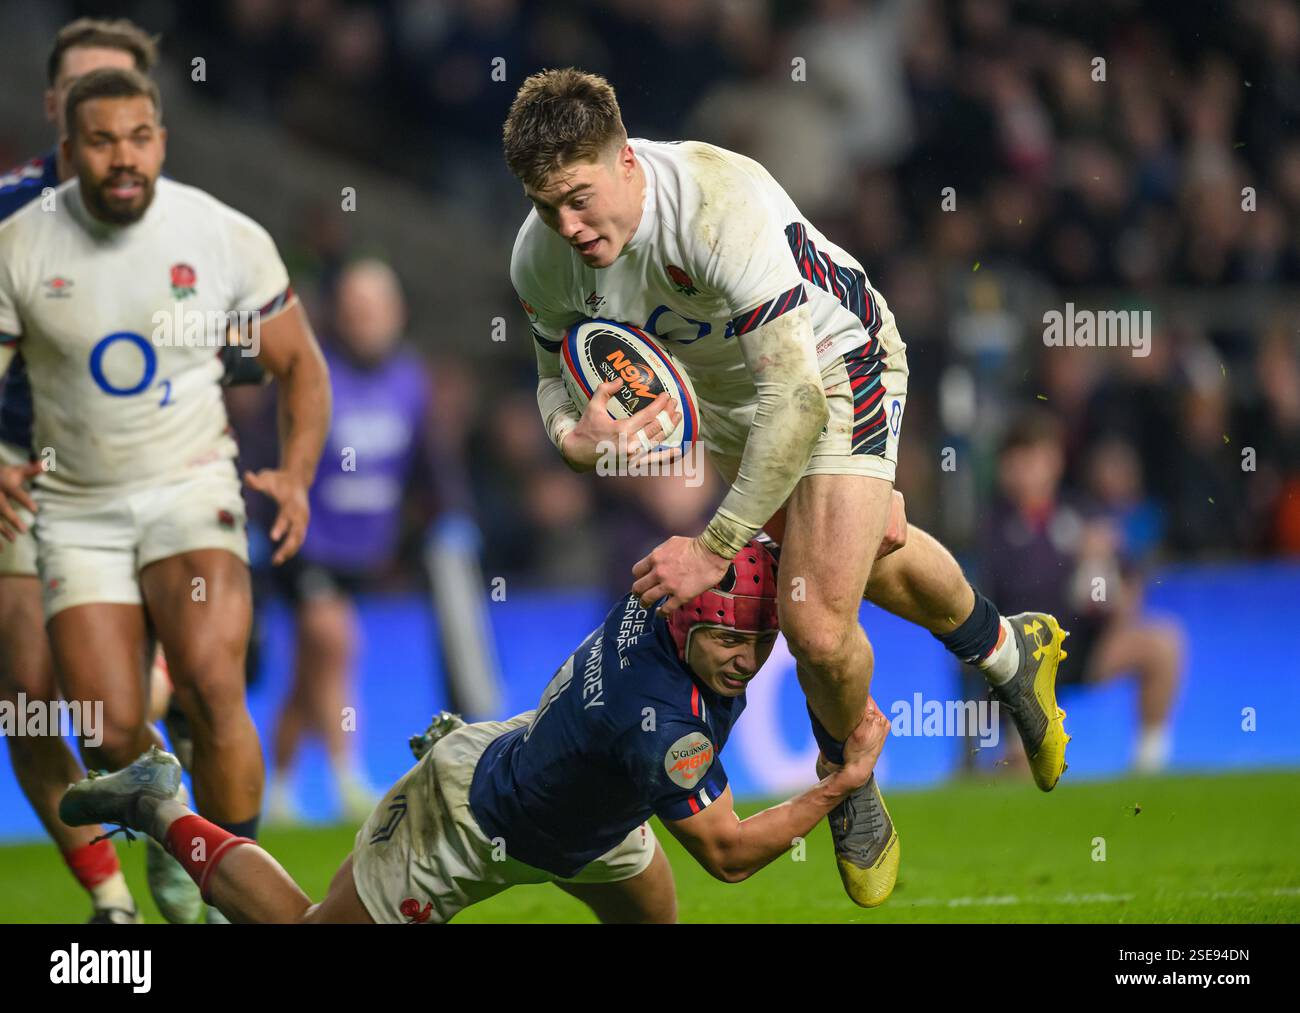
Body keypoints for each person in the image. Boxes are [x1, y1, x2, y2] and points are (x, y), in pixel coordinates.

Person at [504, 68, 1069, 907]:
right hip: (734, 400)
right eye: (547, 205)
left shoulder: (714, 208)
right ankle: (1008, 651)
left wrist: (713, 547)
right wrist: (574, 437)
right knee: (869, 552)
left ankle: (849, 775)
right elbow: (555, 375)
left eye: (579, 197)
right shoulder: (542, 255)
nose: (567, 224)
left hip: (833, 363)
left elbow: (798, 399)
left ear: (627, 159)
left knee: (810, 613)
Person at [59, 540, 892, 923]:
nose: (745, 661)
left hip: (581, 800)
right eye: (728, 641)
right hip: (471, 824)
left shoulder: (672, 589)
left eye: (759, 641)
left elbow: (791, 534)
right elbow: (729, 855)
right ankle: (159, 805)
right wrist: (842, 783)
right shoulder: (659, 723)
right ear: (687, 628)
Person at [0, 68, 330, 919]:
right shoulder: (20, 244)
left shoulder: (221, 235)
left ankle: (229, 900)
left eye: (139, 139)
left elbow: (299, 363)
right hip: (74, 508)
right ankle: (177, 828)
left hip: (190, 485)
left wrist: (295, 473)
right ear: (69, 151)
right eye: (102, 142)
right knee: (108, 732)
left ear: (161, 142)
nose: (123, 159)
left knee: (211, 678)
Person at [0, 15, 183, 925]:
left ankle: (172, 810)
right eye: (85, 99)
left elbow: (230, 351)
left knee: (109, 703)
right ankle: (110, 903)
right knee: (26, 703)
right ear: (55, 112)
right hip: (24, 478)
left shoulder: (185, 226)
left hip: (144, 480)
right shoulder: (5, 214)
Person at [264, 259, 449, 823]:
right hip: (303, 540)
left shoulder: (411, 380)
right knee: (338, 642)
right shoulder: (313, 376)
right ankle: (348, 776)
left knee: (309, 670)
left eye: (375, 309)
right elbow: (268, 452)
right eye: (353, 310)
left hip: (363, 549)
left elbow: (430, 463)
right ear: (337, 316)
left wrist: (448, 517)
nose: (365, 320)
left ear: (397, 314)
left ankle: (278, 787)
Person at [981, 414, 1185, 773]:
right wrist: (1074, 570)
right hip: (1024, 660)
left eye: (1037, 456)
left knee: (1163, 643)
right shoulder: (994, 528)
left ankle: (1150, 765)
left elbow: (1128, 586)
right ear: (1005, 468)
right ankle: (1008, 758)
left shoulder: (1082, 512)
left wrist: (1107, 586)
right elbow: (1003, 599)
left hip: (1084, 646)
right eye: (1019, 459)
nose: (1028, 469)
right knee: (1028, 774)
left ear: (1055, 461)